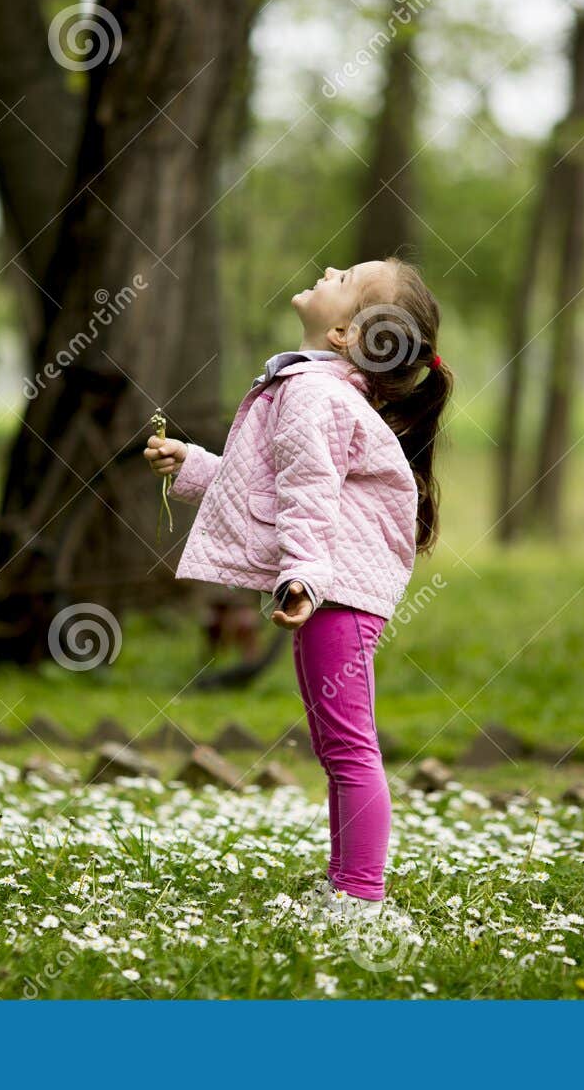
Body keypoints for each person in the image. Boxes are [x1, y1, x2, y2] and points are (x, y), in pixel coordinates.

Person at [144, 258, 451, 912]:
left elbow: (310, 495)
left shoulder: (315, 394)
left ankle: (361, 897)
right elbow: (280, 478)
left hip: (335, 588)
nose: (332, 267)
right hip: (334, 584)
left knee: (347, 745)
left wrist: (303, 577)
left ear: (345, 333)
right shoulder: (316, 387)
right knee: (339, 744)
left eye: (346, 278)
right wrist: (197, 466)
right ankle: (348, 885)